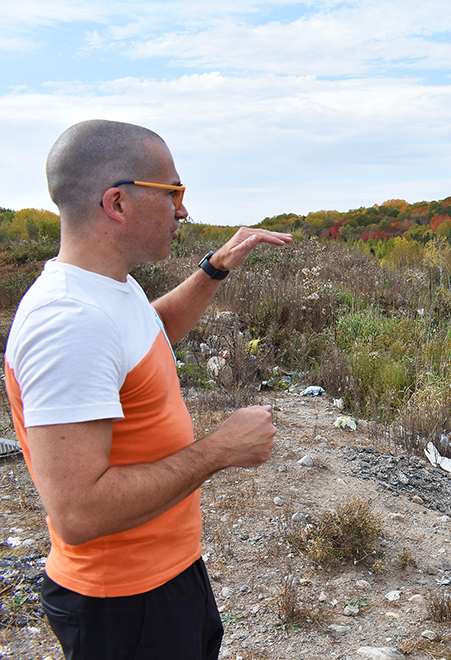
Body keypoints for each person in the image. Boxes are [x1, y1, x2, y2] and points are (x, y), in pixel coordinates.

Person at [3, 119, 293, 659]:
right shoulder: (69, 320)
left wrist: (214, 269)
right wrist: (219, 451)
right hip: (124, 604)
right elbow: (78, 512)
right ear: (117, 203)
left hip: (166, 574)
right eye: (173, 192)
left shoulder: (108, 289)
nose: (183, 209)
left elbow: (145, 338)